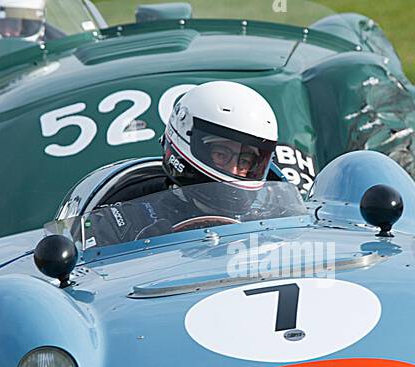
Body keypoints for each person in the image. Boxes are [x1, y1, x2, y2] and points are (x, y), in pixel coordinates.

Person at [84, 81, 295, 246]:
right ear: (184, 141)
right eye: (221, 155)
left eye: (245, 161)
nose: (234, 170)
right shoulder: (125, 223)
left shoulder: (273, 216)